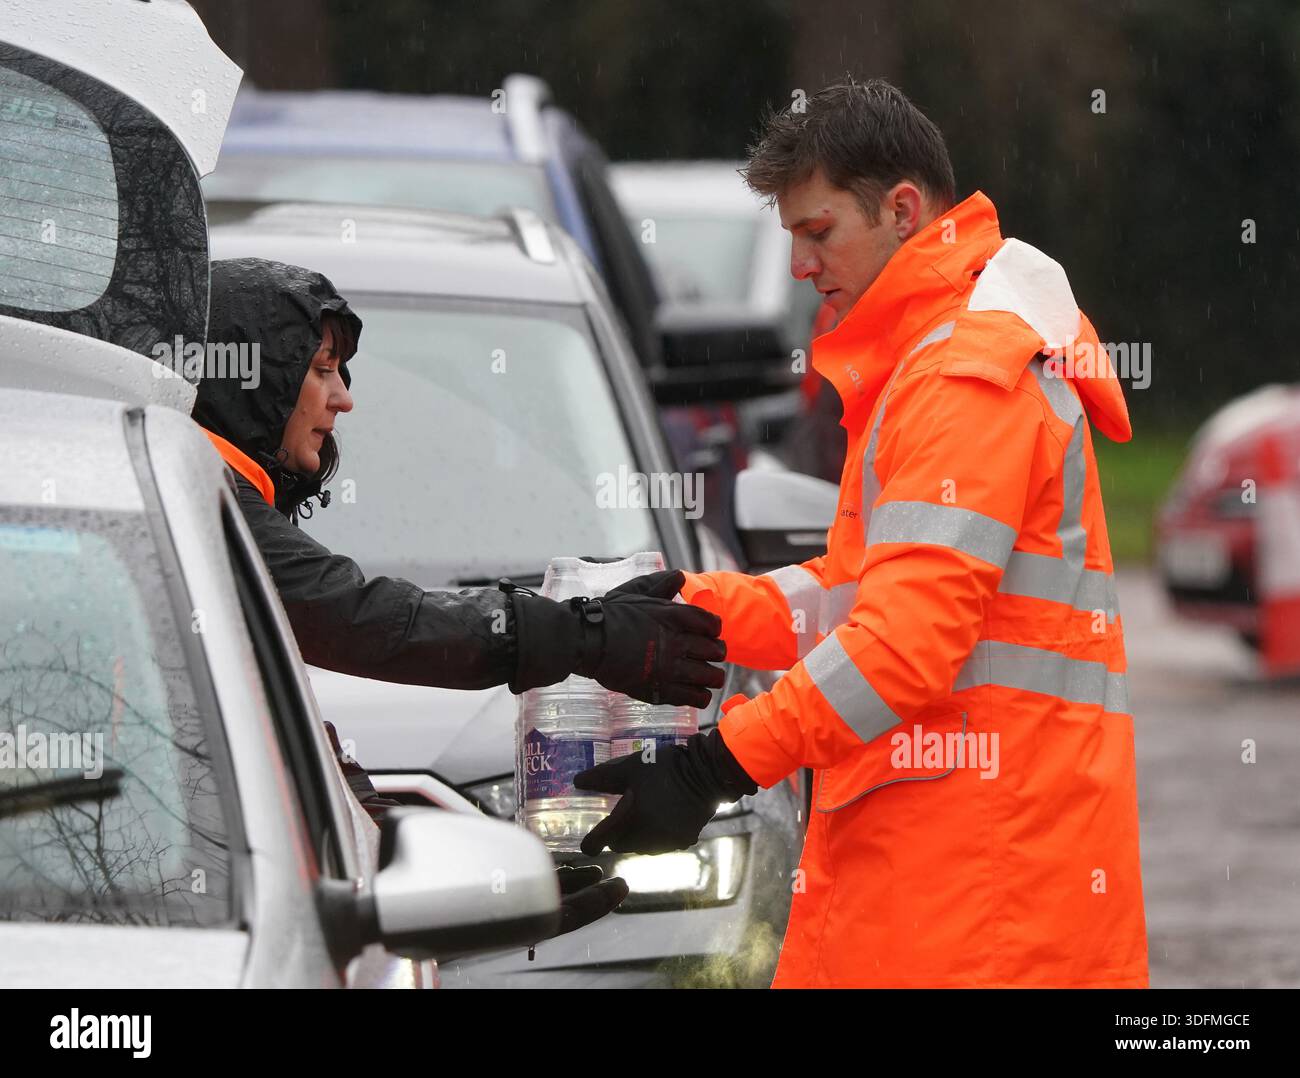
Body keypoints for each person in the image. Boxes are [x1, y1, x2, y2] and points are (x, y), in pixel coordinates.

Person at [575, 78, 1149, 988]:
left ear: (902, 210)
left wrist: (713, 767)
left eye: (818, 231)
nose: (802, 264)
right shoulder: (935, 364)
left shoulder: (965, 376)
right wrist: (696, 608)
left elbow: (900, 649)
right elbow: (857, 603)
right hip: (961, 873)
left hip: (979, 897)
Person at [192, 257, 727, 938]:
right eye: (321, 369)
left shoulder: (203, 492)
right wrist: (581, 635)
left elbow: (302, 751)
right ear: (255, 381)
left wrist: (430, 885)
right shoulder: (200, 501)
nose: (344, 398)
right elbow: (363, 616)